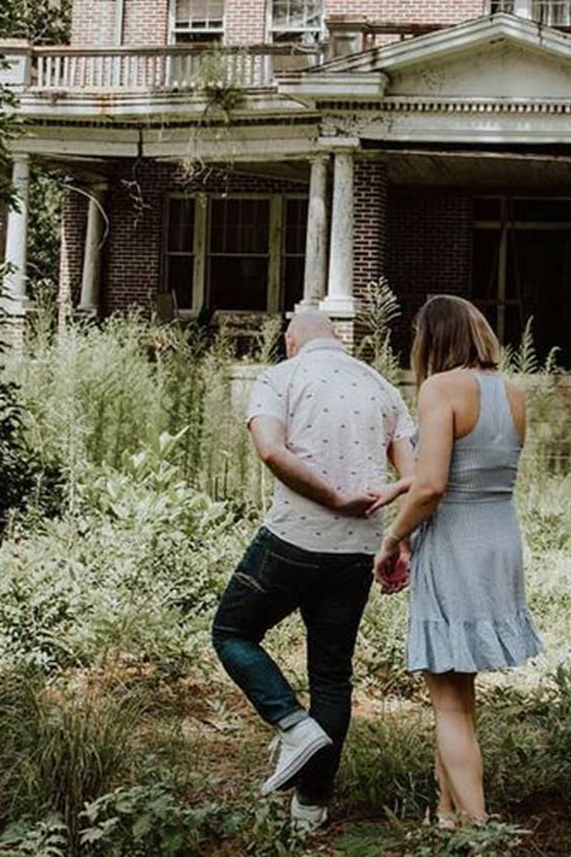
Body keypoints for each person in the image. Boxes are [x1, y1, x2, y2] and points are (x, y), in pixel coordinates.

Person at [210, 308, 414, 832]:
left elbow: (272, 452)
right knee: (331, 673)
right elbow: (412, 477)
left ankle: (292, 725)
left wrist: (334, 497)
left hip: (294, 539)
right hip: (359, 550)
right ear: (338, 340)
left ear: (291, 340)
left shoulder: (281, 376)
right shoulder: (382, 386)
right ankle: (310, 807)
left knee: (233, 630)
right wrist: (400, 543)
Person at [373, 294, 543, 825]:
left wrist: (391, 539)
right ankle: (445, 813)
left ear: (433, 339)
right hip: (498, 539)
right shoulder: (512, 392)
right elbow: (477, 466)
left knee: (448, 702)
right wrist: (405, 481)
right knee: (459, 694)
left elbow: (434, 486)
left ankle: (478, 828)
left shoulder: (439, 388)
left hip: (453, 544)